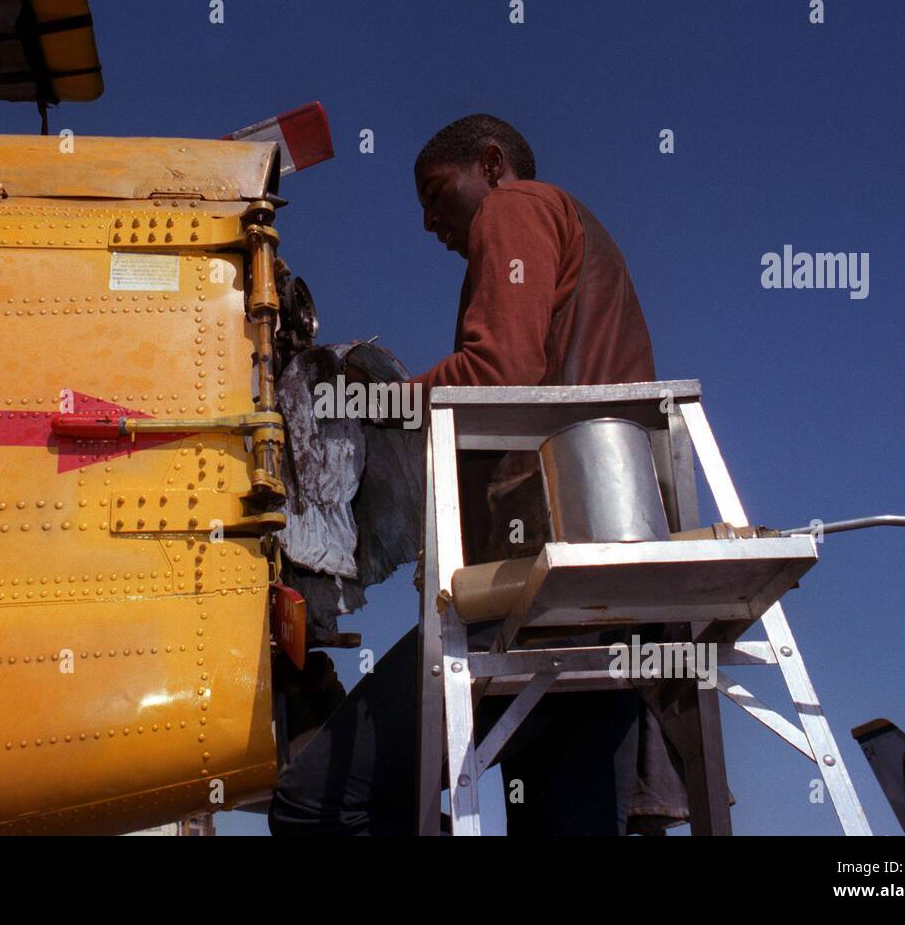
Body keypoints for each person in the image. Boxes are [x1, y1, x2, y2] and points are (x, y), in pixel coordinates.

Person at [268, 114, 682, 835]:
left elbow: (498, 372)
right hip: (602, 607)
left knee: (315, 804)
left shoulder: (515, 207)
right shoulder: (569, 233)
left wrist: (357, 401)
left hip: (536, 592)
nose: (429, 221)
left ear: (491, 165)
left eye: (436, 193)